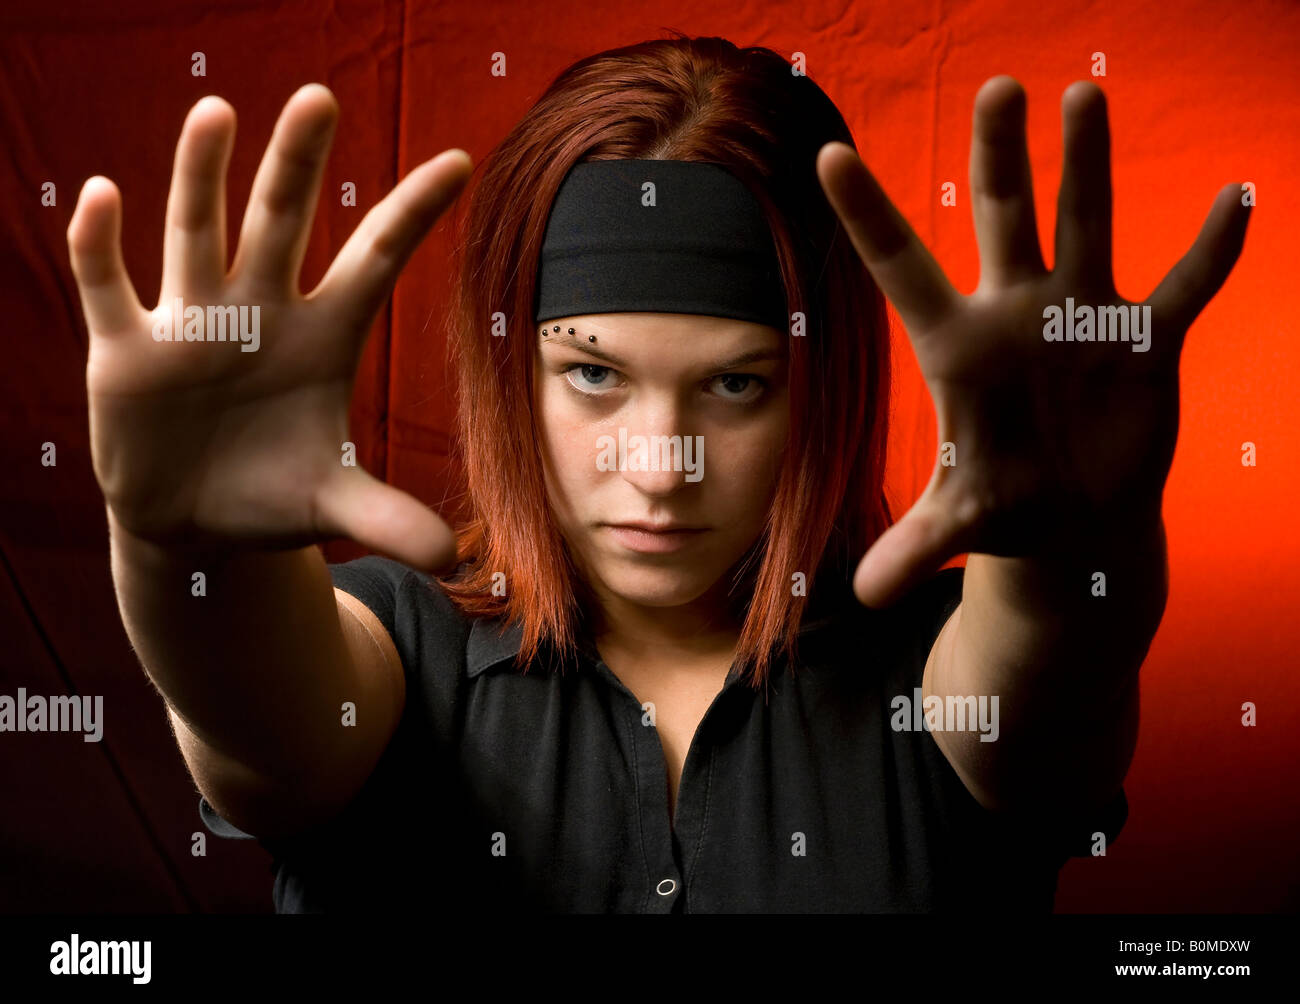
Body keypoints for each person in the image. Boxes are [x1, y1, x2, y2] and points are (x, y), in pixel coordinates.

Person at [66, 35, 1248, 913]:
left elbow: (1055, 672)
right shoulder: (388, 662)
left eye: (734, 384)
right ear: (508, 373)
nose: (658, 465)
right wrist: (186, 549)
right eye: (590, 375)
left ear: (821, 389)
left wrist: (1079, 549)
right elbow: (254, 715)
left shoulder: (941, 686)